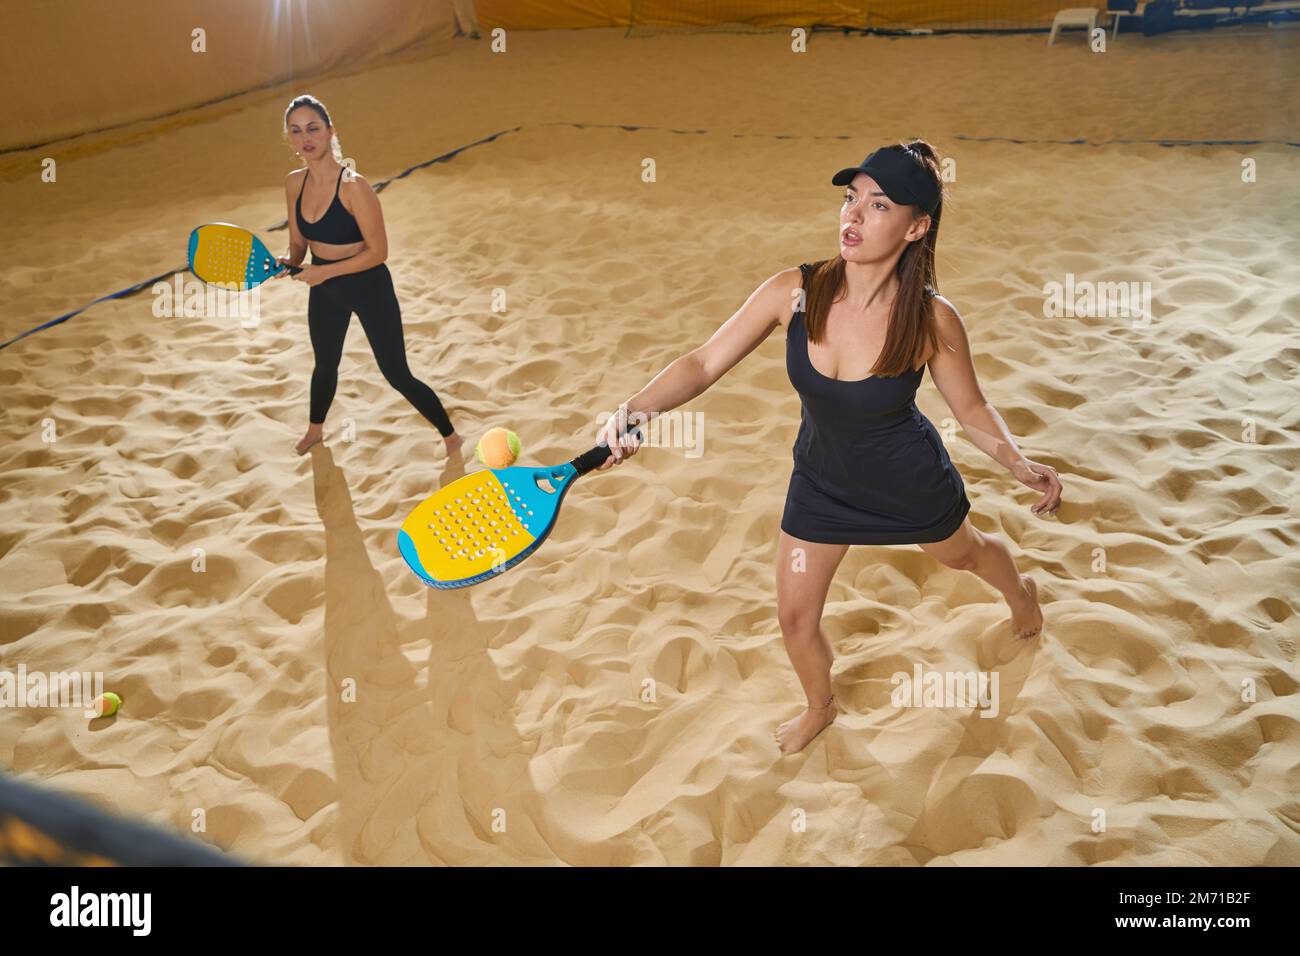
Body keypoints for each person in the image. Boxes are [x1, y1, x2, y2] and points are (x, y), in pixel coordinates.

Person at [596, 140, 1062, 754]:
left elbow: (971, 410)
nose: (853, 216)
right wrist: (634, 412)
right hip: (821, 481)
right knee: (794, 617)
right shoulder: (794, 291)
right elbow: (704, 361)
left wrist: (1018, 462)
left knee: (967, 555)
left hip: (906, 481)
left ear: (916, 226)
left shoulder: (931, 320)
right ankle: (821, 704)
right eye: (850, 199)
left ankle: (1021, 597)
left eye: (878, 205)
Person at [275, 94, 462, 458]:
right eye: (296, 131)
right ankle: (315, 431)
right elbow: (298, 242)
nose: (305, 138)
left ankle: (450, 435)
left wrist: (322, 272)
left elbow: (378, 252)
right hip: (323, 285)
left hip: (367, 284)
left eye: (313, 128)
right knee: (325, 364)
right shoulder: (293, 184)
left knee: (396, 373)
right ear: (290, 138)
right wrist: (289, 260)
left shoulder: (354, 186)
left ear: (330, 132)